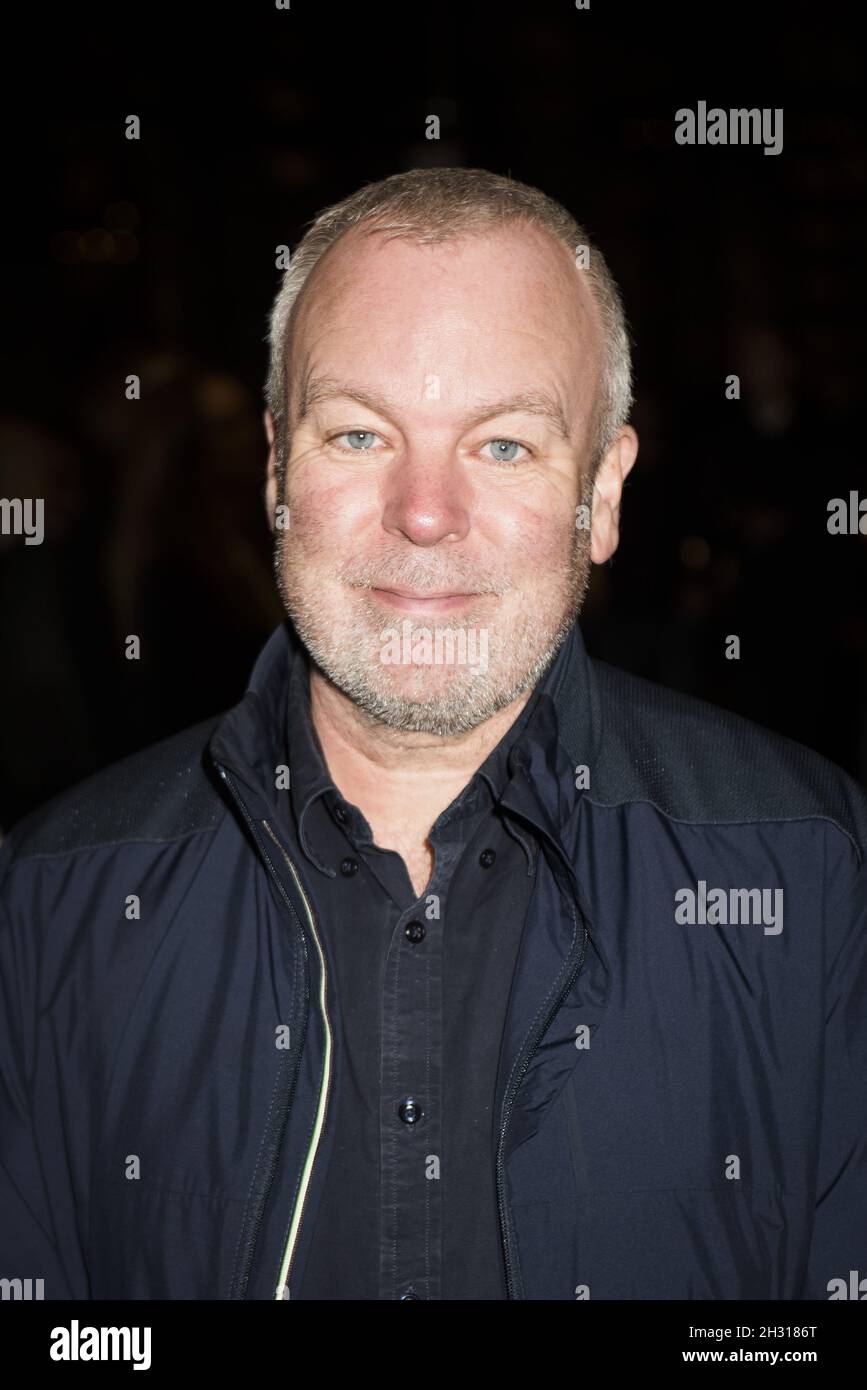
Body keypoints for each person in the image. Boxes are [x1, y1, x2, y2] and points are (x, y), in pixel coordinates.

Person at [1, 167, 864, 1301]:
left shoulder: (812, 871)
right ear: (274, 471)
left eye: (503, 445)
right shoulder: (52, 900)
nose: (423, 511)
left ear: (602, 492)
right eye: (359, 434)